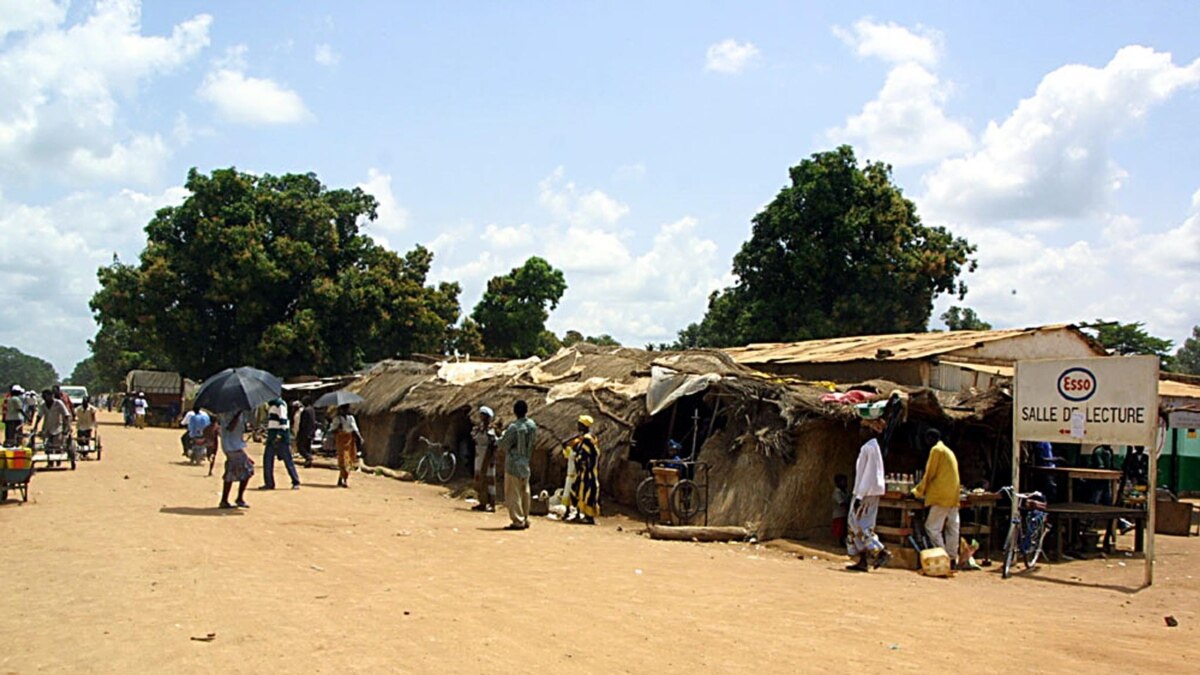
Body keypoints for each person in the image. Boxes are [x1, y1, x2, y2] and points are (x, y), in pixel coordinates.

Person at [912, 428, 961, 565]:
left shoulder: (936, 450)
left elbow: (930, 474)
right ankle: (952, 558)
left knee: (932, 528)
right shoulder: (948, 451)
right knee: (952, 527)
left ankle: (943, 555)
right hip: (953, 495)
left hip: (941, 495)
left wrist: (918, 491)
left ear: (931, 439)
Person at [847, 419, 889, 571]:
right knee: (859, 526)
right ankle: (863, 560)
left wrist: (859, 496)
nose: (861, 431)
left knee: (860, 526)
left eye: (864, 428)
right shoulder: (873, 447)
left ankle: (880, 551)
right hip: (869, 492)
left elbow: (867, 474)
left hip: (865, 493)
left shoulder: (868, 448)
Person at [497, 399, 536, 530]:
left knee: (513, 493)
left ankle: (518, 521)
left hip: (513, 464)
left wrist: (498, 435)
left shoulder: (514, 427)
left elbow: (503, 444)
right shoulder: (532, 425)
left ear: (515, 412)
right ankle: (525, 517)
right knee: (525, 492)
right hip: (526, 462)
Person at [565, 414, 600, 525]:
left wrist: (577, 458)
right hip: (585, 471)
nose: (578, 426)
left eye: (580, 424)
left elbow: (586, 455)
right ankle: (580, 513)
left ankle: (588, 517)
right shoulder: (590, 437)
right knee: (579, 492)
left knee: (586, 493)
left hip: (587, 472)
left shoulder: (587, 439)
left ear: (584, 426)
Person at [261, 396, 300, 490]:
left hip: (281, 438)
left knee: (288, 460)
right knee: (267, 460)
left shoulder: (280, 405)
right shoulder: (271, 406)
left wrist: (279, 436)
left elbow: (283, 421)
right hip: (271, 437)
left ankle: (296, 481)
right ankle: (269, 483)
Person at [217, 410, 253, 509]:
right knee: (244, 470)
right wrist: (237, 415)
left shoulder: (239, 413)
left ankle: (233, 499)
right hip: (231, 446)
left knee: (241, 470)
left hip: (236, 445)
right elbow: (229, 428)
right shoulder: (226, 413)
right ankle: (232, 499)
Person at [328, 404, 363, 488]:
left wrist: (360, 438)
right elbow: (331, 430)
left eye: (346, 409)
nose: (345, 411)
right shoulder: (337, 419)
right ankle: (344, 479)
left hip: (349, 440)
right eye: (343, 409)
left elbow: (355, 429)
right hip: (341, 440)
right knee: (343, 460)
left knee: (349, 459)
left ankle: (342, 478)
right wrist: (337, 428)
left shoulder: (350, 418)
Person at [472, 406, 499, 512]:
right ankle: (482, 502)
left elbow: (494, 446)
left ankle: (492, 504)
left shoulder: (491, 430)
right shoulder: (479, 429)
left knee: (489, 481)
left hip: (488, 459)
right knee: (479, 479)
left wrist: (490, 459)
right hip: (479, 456)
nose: (481, 417)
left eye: (483, 415)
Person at [296, 397, 317, 468]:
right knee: (307, 447)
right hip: (311, 432)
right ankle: (308, 462)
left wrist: (299, 432)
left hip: (305, 432)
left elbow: (303, 424)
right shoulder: (312, 410)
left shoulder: (306, 411)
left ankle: (308, 457)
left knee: (300, 447)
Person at [831, 474, 850, 544]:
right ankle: (838, 542)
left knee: (844, 529)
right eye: (842, 481)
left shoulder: (845, 491)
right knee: (839, 530)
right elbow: (841, 503)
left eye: (845, 481)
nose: (844, 483)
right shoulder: (837, 492)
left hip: (844, 514)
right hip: (839, 514)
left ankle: (843, 542)